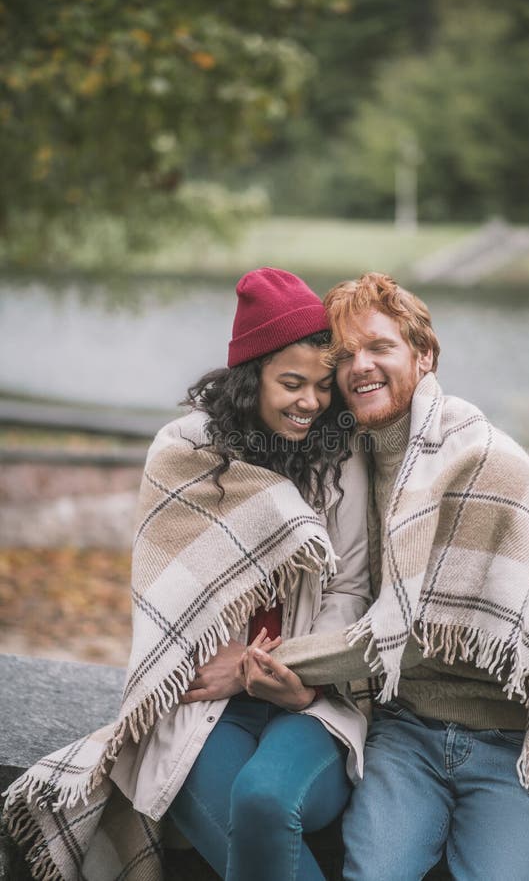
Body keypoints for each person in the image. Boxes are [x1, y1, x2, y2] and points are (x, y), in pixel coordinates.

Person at [2, 267, 371, 881]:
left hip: (312, 698)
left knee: (265, 800)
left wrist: (288, 674)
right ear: (250, 380)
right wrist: (229, 670)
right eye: (291, 383)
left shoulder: (340, 457)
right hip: (198, 701)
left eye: (323, 385)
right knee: (249, 816)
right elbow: (164, 594)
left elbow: (351, 587)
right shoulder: (185, 452)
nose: (311, 401)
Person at [242, 271, 529, 881]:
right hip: (406, 731)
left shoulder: (481, 462)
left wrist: (276, 664)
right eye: (346, 354)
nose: (360, 365)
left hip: (510, 745)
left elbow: (413, 631)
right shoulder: (353, 456)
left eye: (379, 346)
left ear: (425, 356)